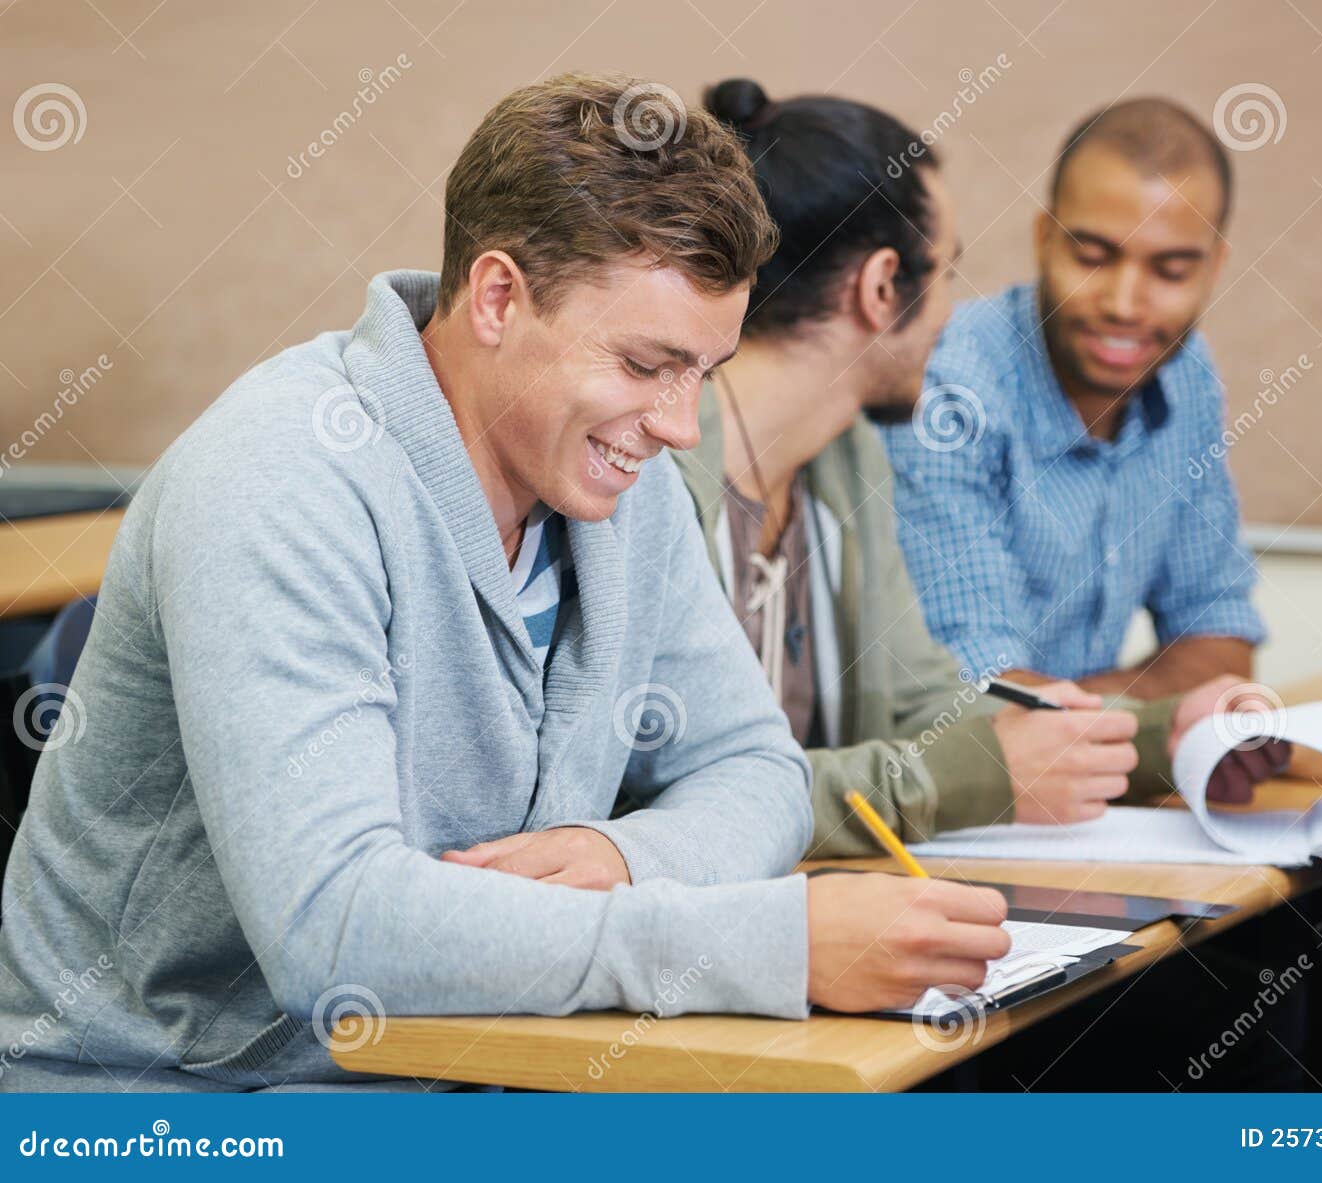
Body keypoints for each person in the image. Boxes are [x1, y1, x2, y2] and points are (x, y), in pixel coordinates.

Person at [0, 75, 1012, 1093]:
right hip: (159, 1104)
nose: (679, 426)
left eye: (702, 372)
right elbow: (334, 928)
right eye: (644, 362)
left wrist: (620, 860)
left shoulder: (624, 476)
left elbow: (757, 771)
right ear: (495, 298)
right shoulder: (280, 474)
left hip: (464, 1073)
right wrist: (768, 945)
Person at [665, 80, 1285, 860]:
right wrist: (985, 768)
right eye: (948, 274)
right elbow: (674, 799)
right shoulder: (657, 476)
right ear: (882, 286)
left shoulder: (847, 454)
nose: (954, 317)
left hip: (813, 899)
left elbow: (922, 701)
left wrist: (1166, 732)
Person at [880, 97, 1322, 771]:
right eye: (1093, 255)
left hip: (1087, 799)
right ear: (1043, 239)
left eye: (1170, 270)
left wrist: (1181, 714)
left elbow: (1218, 635)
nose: (1126, 303)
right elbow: (982, 709)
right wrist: (1252, 732)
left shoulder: (1183, 371)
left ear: (1214, 265)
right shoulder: (946, 390)